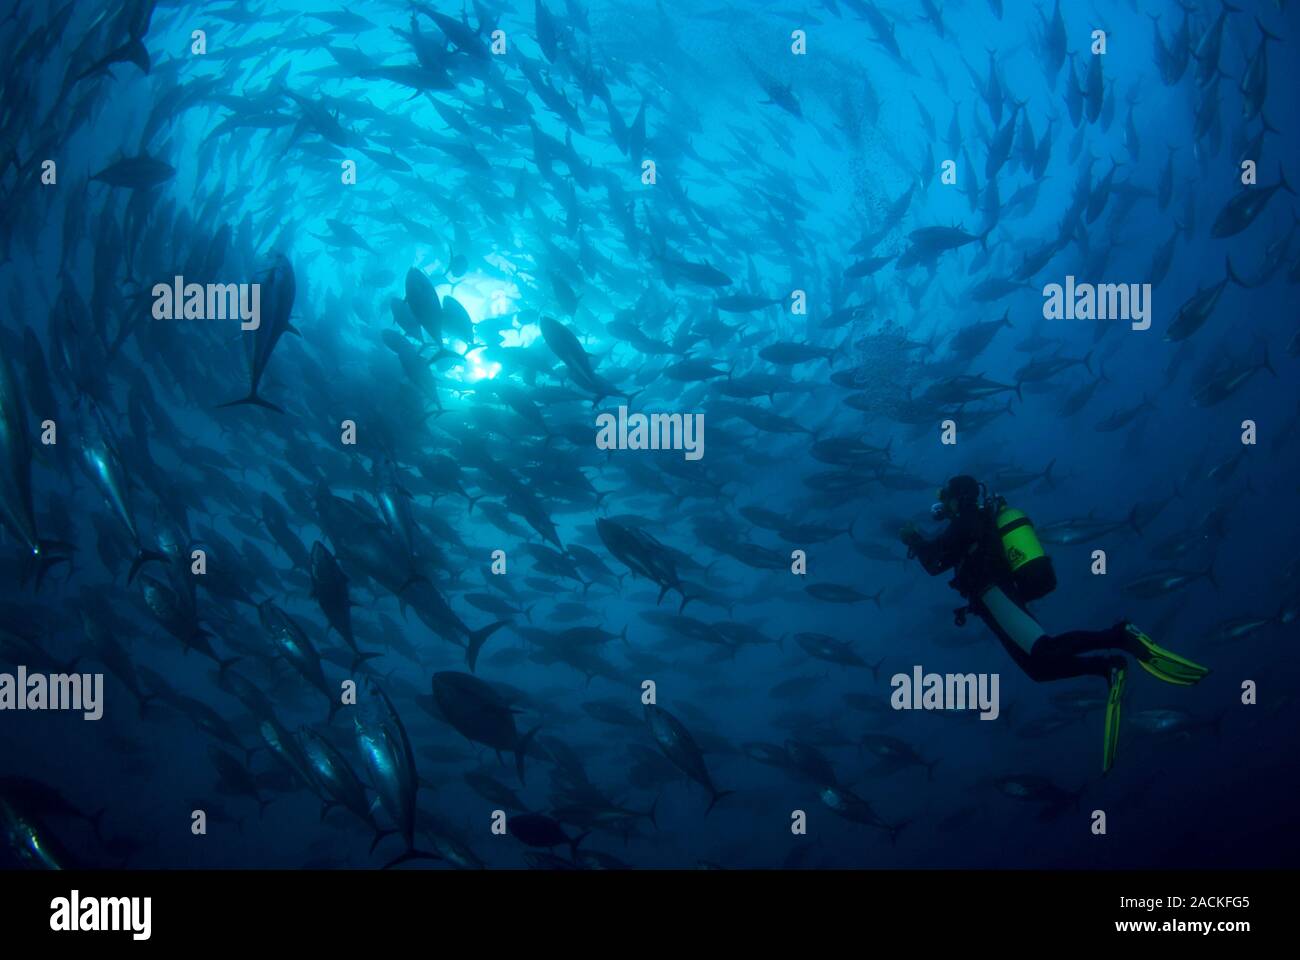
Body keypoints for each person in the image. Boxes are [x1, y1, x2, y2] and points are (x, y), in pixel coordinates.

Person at [899, 474, 1208, 773]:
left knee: (1043, 650)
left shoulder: (967, 520)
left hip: (995, 595)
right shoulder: (971, 521)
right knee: (1039, 670)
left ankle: (1120, 636)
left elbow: (936, 562)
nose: (944, 505)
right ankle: (1107, 668)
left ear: (958, 498)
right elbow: (943, 556)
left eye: (947, 498)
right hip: (990, 602)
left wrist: (912, 537)